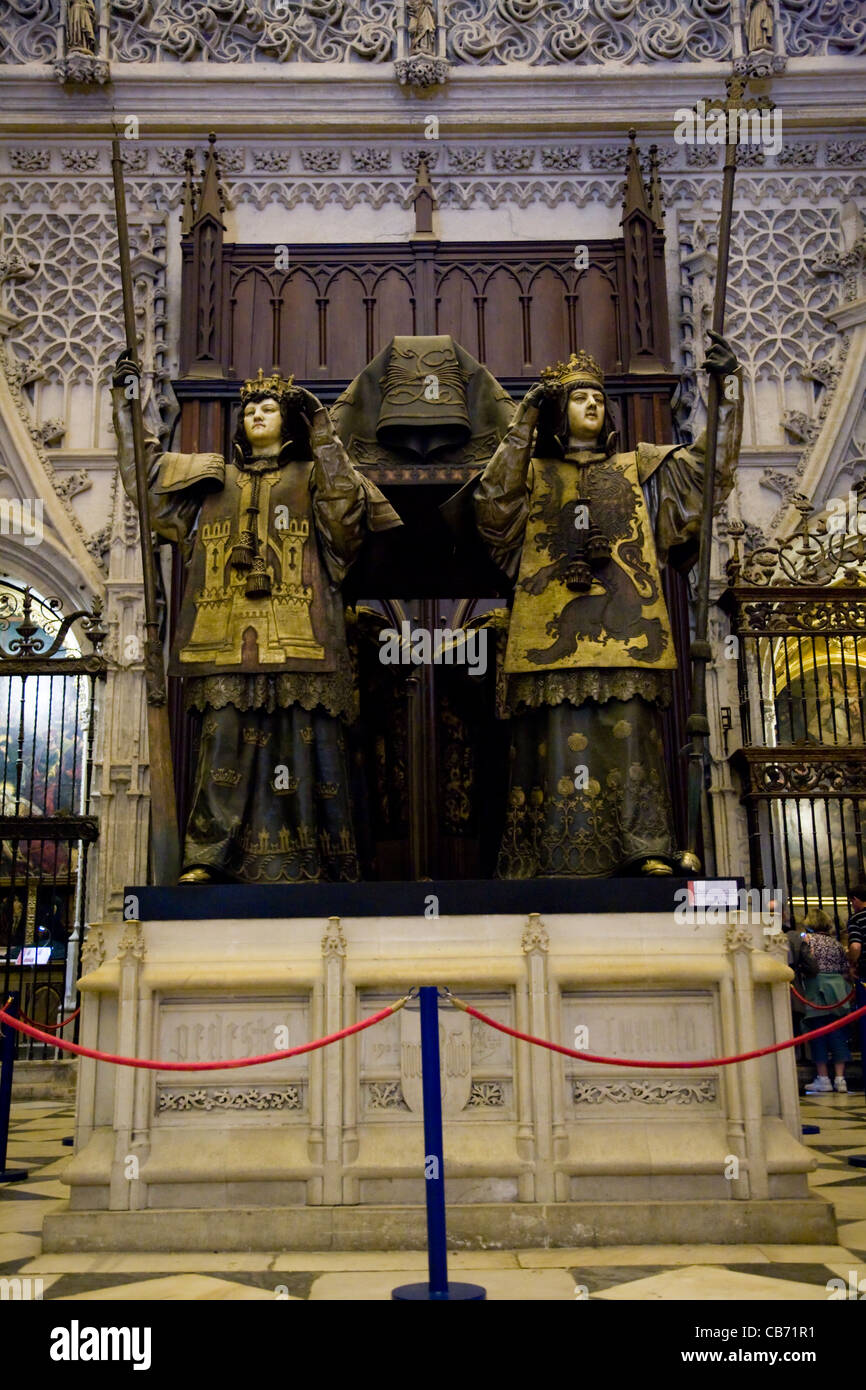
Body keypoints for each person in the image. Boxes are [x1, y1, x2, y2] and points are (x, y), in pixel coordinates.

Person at [112, 363, 401, 883]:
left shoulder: (315, 475)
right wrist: (126, 404)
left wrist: (323, 432)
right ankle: (210, 858)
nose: (257, 415)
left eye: (269, 408)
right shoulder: (211, 478)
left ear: (289, 422)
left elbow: (346, 521)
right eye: (249, 409)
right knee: (223, 742)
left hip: (304, 634)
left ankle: (317, 859)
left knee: (304, 744)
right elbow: (147, 479)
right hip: (222, 635)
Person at [471, 337, 741, 878]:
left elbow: (708, 472)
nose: (592, 404)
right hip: (550, 635)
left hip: (627, 636)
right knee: (555, 745)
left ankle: (643, 847)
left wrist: (726, 392)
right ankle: (551, 854)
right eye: (579, 398)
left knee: (631, 741)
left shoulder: (641, 469)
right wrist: (523, 421)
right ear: (559, 411)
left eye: (598, 397)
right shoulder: (532, 474)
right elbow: (492, 506)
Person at [801, 907, 853, 1094]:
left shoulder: (808, 940)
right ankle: (840, 1079)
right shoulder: (836, 943)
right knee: (838, 1033)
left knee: (818, 1033)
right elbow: (845, 967)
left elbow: (806, 964)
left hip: (817, 989)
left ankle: (823, 1078)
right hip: (838, 990)